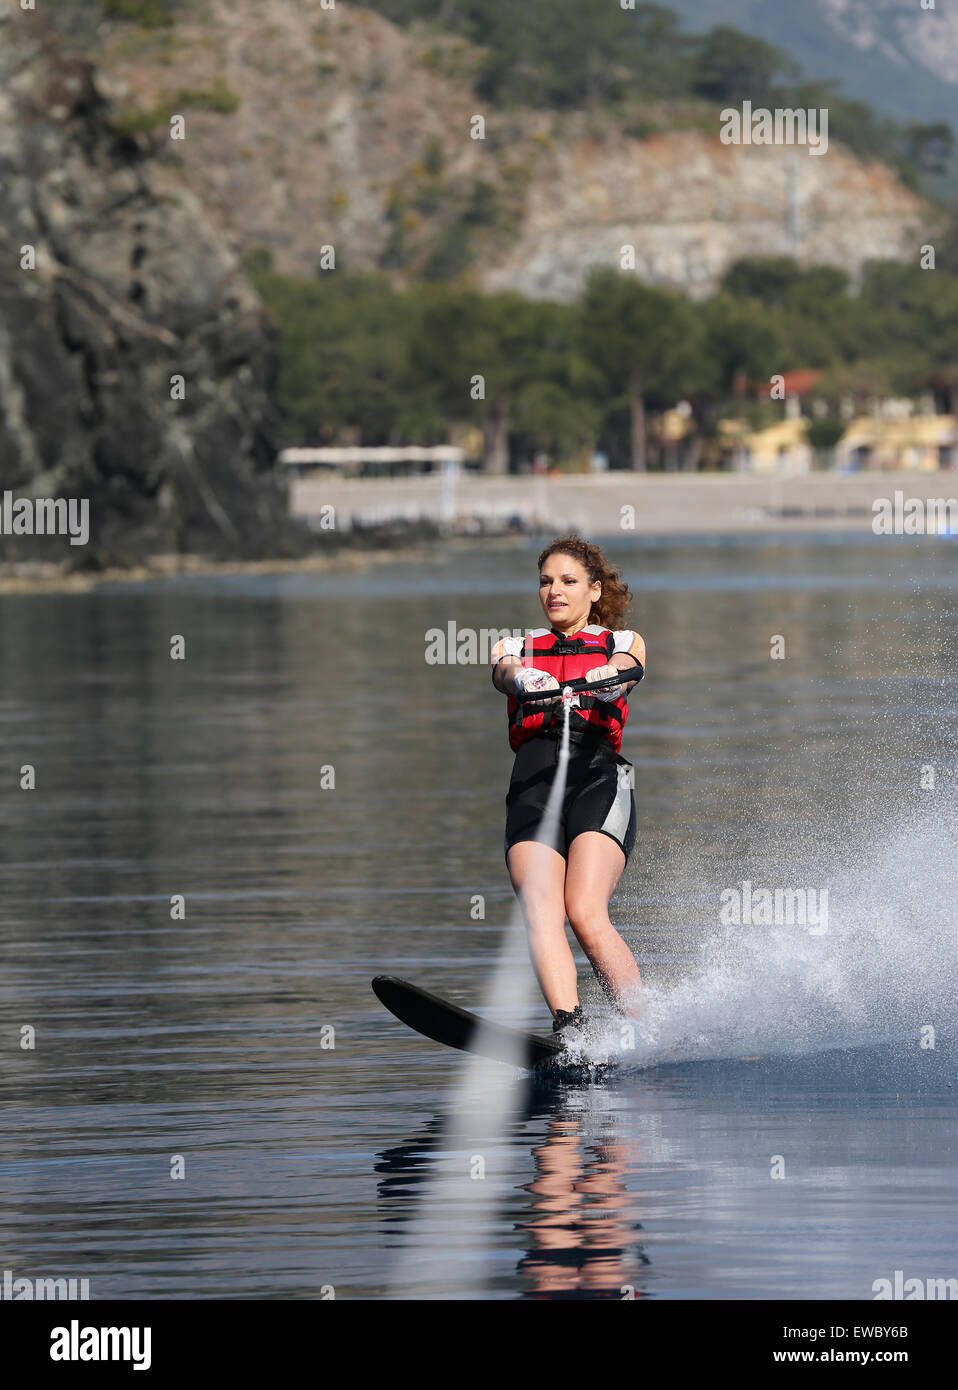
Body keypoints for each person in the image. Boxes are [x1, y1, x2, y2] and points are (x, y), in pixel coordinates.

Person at [491, 535, 646, 1037]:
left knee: (582, 909)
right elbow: (502, 671)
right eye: (545, 581)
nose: (554, 591)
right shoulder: (516, 647)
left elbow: (631, 667)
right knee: (540, 906)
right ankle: (571, 1030)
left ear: (595, 590)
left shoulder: (621, 643)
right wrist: (522, 680)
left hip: (597, 780)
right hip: (534, 783)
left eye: (568, 581)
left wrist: (609, 676)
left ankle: (644, 1030)